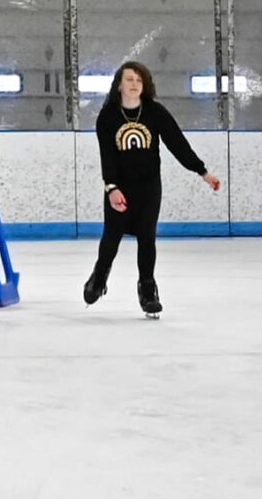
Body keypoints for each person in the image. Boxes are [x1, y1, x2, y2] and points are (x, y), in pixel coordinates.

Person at [87, 61, 221, 317]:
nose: (135, 84)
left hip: (148, 187)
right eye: (129, 79)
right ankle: (100, 275)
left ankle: (147, 289)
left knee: (147, 237)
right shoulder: (108, 117)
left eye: (139, 80)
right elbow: (108, 156)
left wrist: (202, 171)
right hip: (120, 187)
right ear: (118, 85)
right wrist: (111, 188)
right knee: (112, 236)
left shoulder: (155, 112)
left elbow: (177, 143)